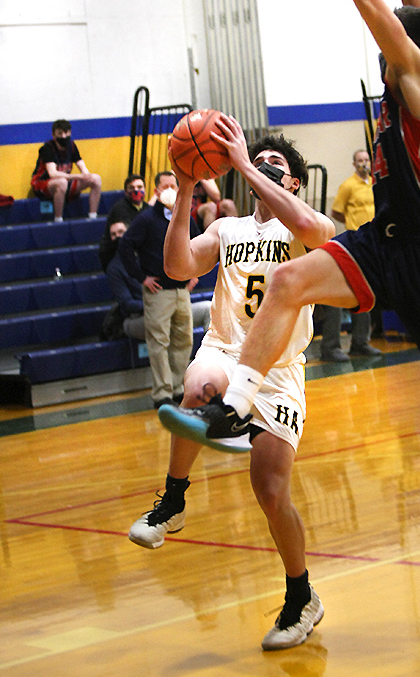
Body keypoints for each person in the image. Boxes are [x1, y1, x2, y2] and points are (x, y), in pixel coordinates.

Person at [164, 0, 420, 575]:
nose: (385, 40)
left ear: (408, 51)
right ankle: (237, 405)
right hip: (382, 239)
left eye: (395, 36)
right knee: (292, 282)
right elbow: (419, 23)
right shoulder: (413, 77)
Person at [128, 127, 334, 651]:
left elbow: (315, 226)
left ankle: (301, 594)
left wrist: (243, 163)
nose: (260, 165)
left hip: (280, 373)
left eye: (272, 163)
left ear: (293, 181)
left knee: (270, 492)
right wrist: (185, 188)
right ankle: (172, 501)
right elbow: (177, 267)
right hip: (225, 351)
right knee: (196, 386)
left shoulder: (304, 228)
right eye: (255, 159)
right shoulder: (228, 228)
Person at [119, 171, 201, 408]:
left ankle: (177, 388)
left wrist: (195, 273)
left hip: (181, 291)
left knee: (184, 341)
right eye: (164, 186)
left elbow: (199, 243)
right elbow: (125, 245)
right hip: (158, 293)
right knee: (158, 343)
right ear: (156, 192)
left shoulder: (184, 216)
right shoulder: (146, 219)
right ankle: (162, 394)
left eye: (173, 186)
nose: (169, 190)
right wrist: (141, 277)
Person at [332, 149, 382, 357]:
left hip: (377, 241)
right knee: (359, 290)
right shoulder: (348, 186)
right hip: (358, 243)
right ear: (354, 164)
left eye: (366, 160)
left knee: (372, 290)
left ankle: (364, 339)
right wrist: (353, 226)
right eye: (359, 161)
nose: (363, 163)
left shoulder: (375, 184)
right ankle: (357, 341)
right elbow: (336, 211)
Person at [31, 119, 102, 222]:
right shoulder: (47, 148)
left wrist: (87, 175)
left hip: (65, 182)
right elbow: (53, 173)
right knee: (62, 182)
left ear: (70, 133)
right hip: (42, 183)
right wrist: (77, 176)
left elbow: (82, 166)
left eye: (66, 133)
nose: (63, 136)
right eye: (60, 133)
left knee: (96, 179)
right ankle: (58, 219)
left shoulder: (72, 146)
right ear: (53, 135)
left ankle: (93, 216)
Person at [99, 174, 150, 271]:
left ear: (145, 190)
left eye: (139, 187)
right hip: (114, 256)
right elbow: (130, 235)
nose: (136, 190)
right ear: (126, 192)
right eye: (132, 188)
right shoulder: (120, 208)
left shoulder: (147, 208)